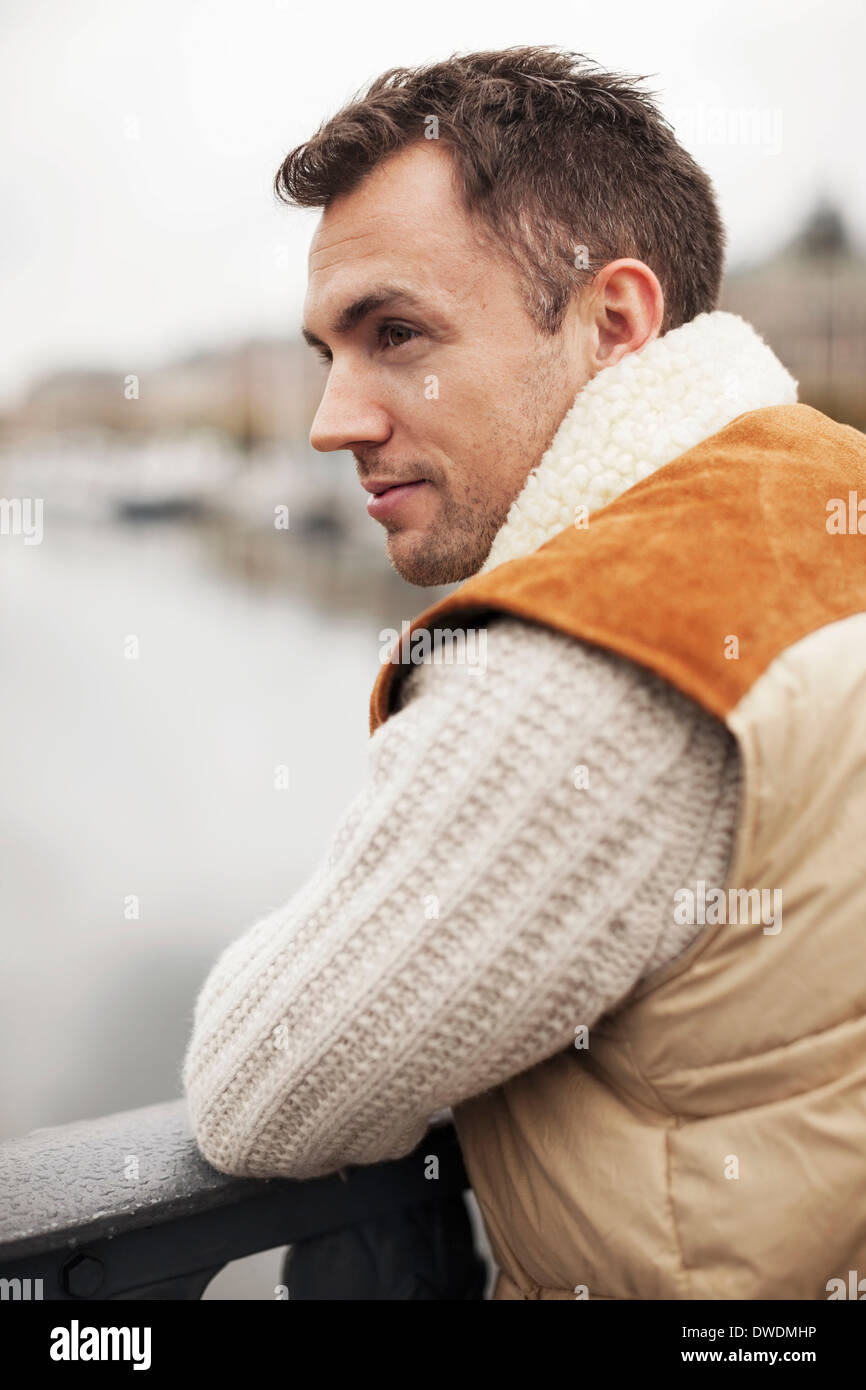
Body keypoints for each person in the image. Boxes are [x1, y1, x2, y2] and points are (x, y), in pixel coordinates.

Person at [183, 46, 866, 1300]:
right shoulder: (833, 492)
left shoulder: (597, 649)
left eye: (396, 335)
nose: (332, 418)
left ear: (614, 321)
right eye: (329, 351)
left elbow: (261, 1088)